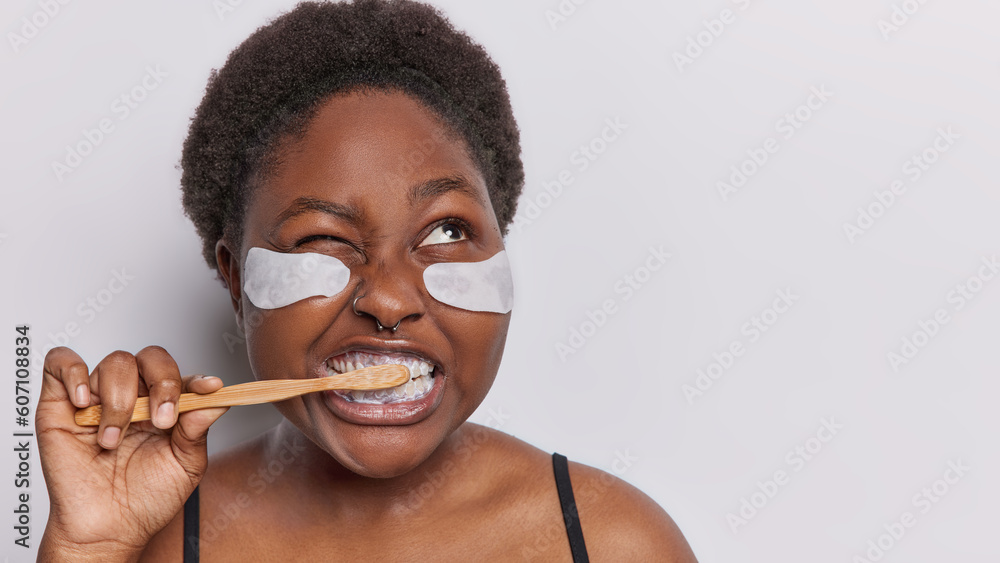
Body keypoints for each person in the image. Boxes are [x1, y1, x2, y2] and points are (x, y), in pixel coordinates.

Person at [37, 1, 698, 560]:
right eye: (324, 239)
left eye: (446, 232)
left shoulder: (616, 542)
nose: (387, 298)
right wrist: (84, 549)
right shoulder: (152, 541)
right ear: (235, 279)